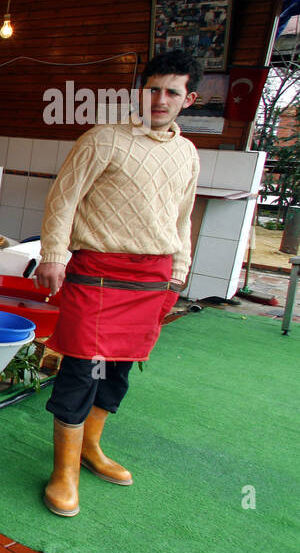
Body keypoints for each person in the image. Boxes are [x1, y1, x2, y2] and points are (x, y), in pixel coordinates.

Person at [34, 50, 202, 517]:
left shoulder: (187, 154)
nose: (160, 99)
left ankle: (90, 448)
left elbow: (183, 219)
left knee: (119, 369)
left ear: (189, 99)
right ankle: (63, 471)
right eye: (153, 89)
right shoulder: (103, 139)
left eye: (172, 91)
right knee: (81, 368)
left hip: (151, 277)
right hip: (96, 271)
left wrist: (179, 274)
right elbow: (62, 200)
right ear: (140, 91)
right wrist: (52, 255)